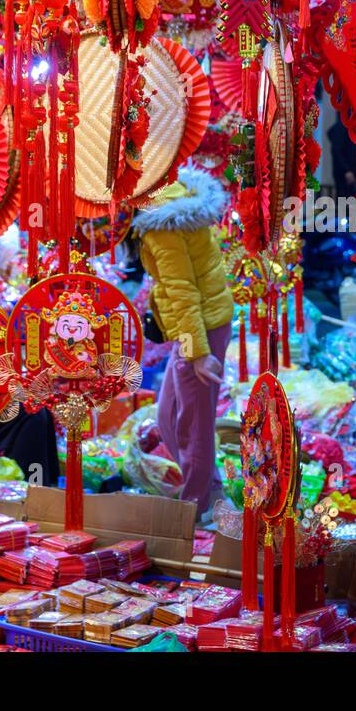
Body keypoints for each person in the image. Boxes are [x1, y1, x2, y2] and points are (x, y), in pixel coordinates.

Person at [132, 166, 235, 517]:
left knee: (192, 424)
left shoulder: (162, 223)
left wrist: (198, 353)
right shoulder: (171, 201)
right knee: (168, 419)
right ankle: (213, 491)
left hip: (199, 331)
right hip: (196, 330)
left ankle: (198, 508)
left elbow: (182, 291)